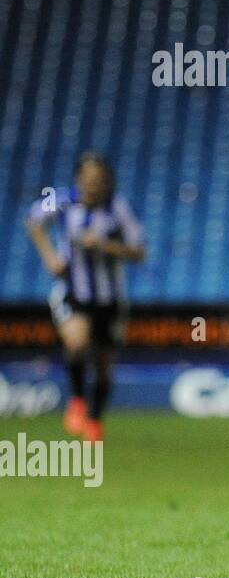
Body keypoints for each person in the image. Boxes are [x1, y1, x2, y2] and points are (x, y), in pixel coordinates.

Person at [25, 152, 146, 442]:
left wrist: (105, 246)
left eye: (99, 181)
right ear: (78, 179)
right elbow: (33, 220)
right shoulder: (63, 200)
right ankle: (77, 400)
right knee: (77, 342)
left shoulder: (118, 207)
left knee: (104, 366)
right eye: (88, 180)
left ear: (107, 182)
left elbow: (139, 251)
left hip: (109, 298)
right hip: (74, 291)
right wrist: (50, 257)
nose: (93, 186)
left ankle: (94, 419)